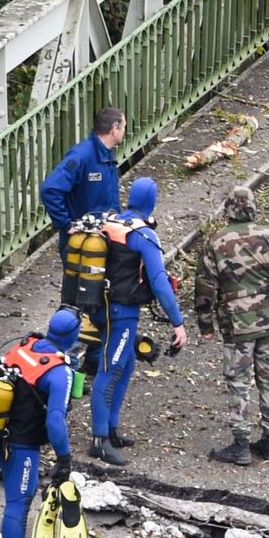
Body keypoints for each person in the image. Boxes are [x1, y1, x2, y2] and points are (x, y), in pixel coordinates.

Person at [194, 185, 269, 466]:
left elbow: (205, 288)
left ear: (228, 209)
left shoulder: (215, 242)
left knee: (239, 382)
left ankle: (241, 445)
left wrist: (205, 324)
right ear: (253, 207)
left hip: (236, 324)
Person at [88, 176, 189, 465]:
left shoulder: (112, 223)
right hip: (120, 312)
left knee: (127, 363)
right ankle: (99, 440)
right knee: (110, 369)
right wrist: (177, 322)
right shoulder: (143, 235)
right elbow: (159, 282)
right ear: (152, 202)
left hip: (102, 306)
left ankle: (111, 427)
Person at [0, 310, 78, 538]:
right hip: (21, 444)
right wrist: (64, 458)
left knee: (21, 494)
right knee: (18, 505)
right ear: (74, 336)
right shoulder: (60, 372)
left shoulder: (26, 346)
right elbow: (55, 422)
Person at [41, 107, 126, 258]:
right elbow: (50, 189)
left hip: (104, 236)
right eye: (123, 127)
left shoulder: (106, 155)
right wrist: (66, 224)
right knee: (78, 281)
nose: (124, 131)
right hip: (81, 242)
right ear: (114, 129)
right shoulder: (81, 156)